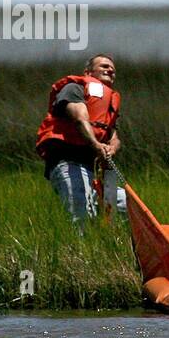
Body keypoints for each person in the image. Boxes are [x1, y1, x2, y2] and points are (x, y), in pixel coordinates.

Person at [34, 54, 125, 224]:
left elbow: (113, 135)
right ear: (88, 72)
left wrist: (112, 148)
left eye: (112, 69)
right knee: (82, 212)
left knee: (126, 207)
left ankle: (125, 246)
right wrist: (95, 144)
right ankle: (80, 249)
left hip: (95, 171)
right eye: (104, 66)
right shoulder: (74, 88)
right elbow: (79, 118)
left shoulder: (111, 102)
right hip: (69, 163)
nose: (110, 70)